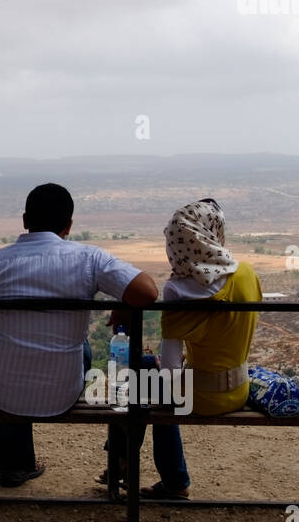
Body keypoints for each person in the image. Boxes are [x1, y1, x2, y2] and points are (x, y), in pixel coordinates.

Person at [0, 183, 157, 487]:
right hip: (63, 391)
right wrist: (123, 305)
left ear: (25, 221)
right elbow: (147, 291)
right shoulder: (89, 259)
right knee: (83, 350)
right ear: (68, 225)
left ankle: (14, 464)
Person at [106, 197, 262, 499]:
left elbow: (172, 371)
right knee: (152, 381)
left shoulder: (177, 289)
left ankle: (126, 463)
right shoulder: (247, 274)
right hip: (239, 389)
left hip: (201, 397)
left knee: (140, 372)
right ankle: (164, 477)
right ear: (212, 234)